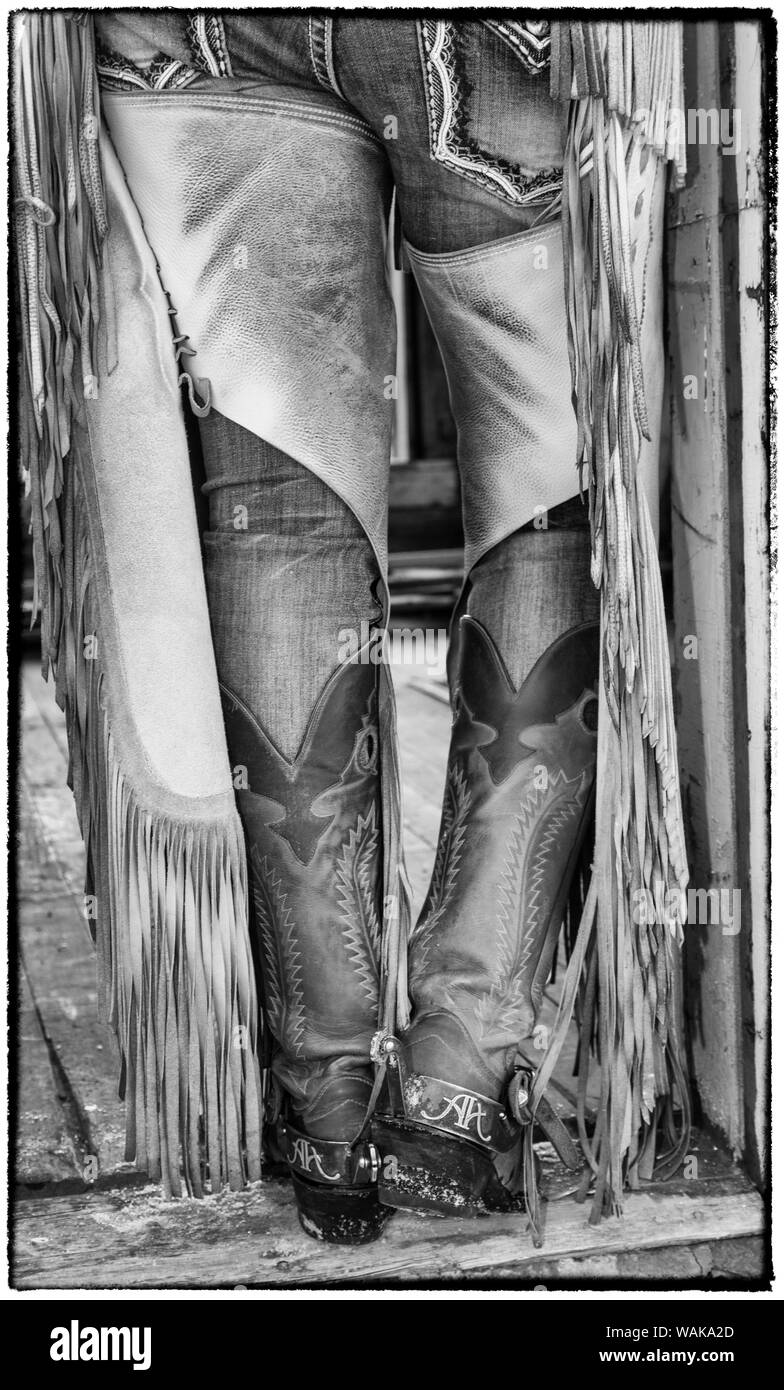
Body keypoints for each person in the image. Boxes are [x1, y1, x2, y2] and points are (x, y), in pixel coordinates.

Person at [14, 11, 690, 1246]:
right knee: (548, 475)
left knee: (277, 502)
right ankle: (451, 1074)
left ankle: (329, 1097)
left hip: (203, 34)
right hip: (494, 35)